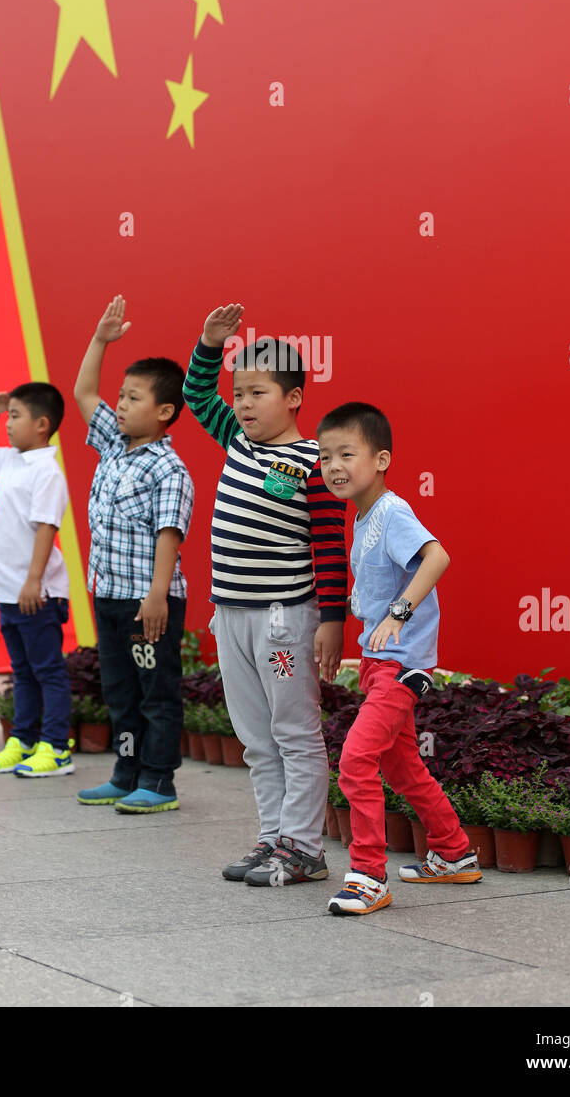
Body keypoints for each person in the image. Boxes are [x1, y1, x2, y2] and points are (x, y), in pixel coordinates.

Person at [182, 303, 348, 885]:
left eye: (258, 392)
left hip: (285, 620)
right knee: (256, 739)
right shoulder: (239, 443)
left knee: (296, 734)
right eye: (240, 392)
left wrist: (332, 620)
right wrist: (208, 344)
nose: (244, 404)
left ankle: (305, 847)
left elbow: (330, 548)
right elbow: (197, 397)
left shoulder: (312, 465)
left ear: (295, 398)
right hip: (230, 615)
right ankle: (272, 838)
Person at [316, 402, 481, 915]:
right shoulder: (363, 516)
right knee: (404, 766)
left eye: (347, 453)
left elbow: (438, 556)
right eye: (325, 457)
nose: (334, 466)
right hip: (378, 663)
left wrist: (399, 613)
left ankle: (368, 875)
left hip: (401, 666)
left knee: (355, 760)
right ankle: (453, 854)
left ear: (381, 458)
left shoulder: (391, 512)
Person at [73, 296, 194, 814]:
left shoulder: (169, 469)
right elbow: (81, 392)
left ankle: (159, 781)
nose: (119, 405)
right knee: (121, 692)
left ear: (164, 412)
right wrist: (100, 339)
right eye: (120, 396)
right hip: (110, 597)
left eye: (133, 398)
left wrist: (157, 597)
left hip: (149, 603)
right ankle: (126, 773)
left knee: (155, 692)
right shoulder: (113, 446)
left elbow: (169, 535)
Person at [0, 383, 74, 778]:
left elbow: (47, 527)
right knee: (22, 670)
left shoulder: (46, 471)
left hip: (35, 592)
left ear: (42, 424)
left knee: (47, 670)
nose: (8, 425)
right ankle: (24, 740)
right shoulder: (11, 460)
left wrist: (34, 580)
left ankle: (56, 748)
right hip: (6, 590)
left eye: (15, 417)